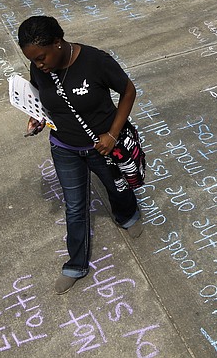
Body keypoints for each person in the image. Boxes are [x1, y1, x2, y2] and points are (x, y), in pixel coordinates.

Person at [18, 16, 142, 294]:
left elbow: (128, 90)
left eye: (41, 57)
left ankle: (128, 215)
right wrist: (36, 117)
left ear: (57, 43)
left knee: (117, 187)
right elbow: (41, 95)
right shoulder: (40, 66)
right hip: (65, 148)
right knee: (75, 206)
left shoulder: (95, 61)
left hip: (103, 146)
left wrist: (112, 134)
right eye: (34, 60)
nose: (39, 65)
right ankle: (76, 263)